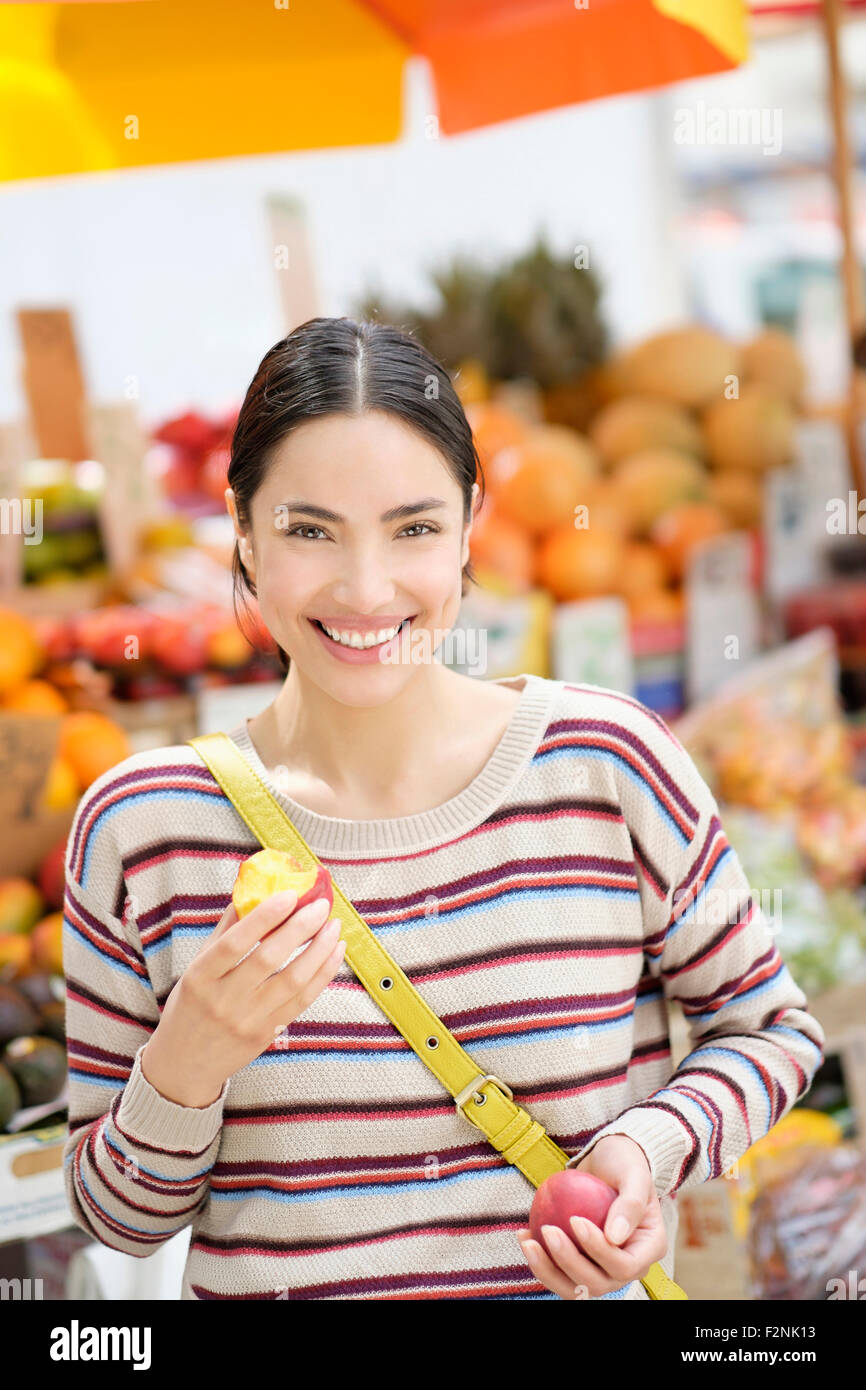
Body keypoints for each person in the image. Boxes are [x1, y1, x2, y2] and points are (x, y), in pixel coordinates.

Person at [61, 317, 825, 1301]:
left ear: (469, 522)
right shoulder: (139, 830)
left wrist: (649, 1146)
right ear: (239, 530)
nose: (366, 588)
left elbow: (768, 1026)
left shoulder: (605, 763)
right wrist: (187, 1061)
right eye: (308, 530)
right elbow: (120, 1219)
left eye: (413, 527)